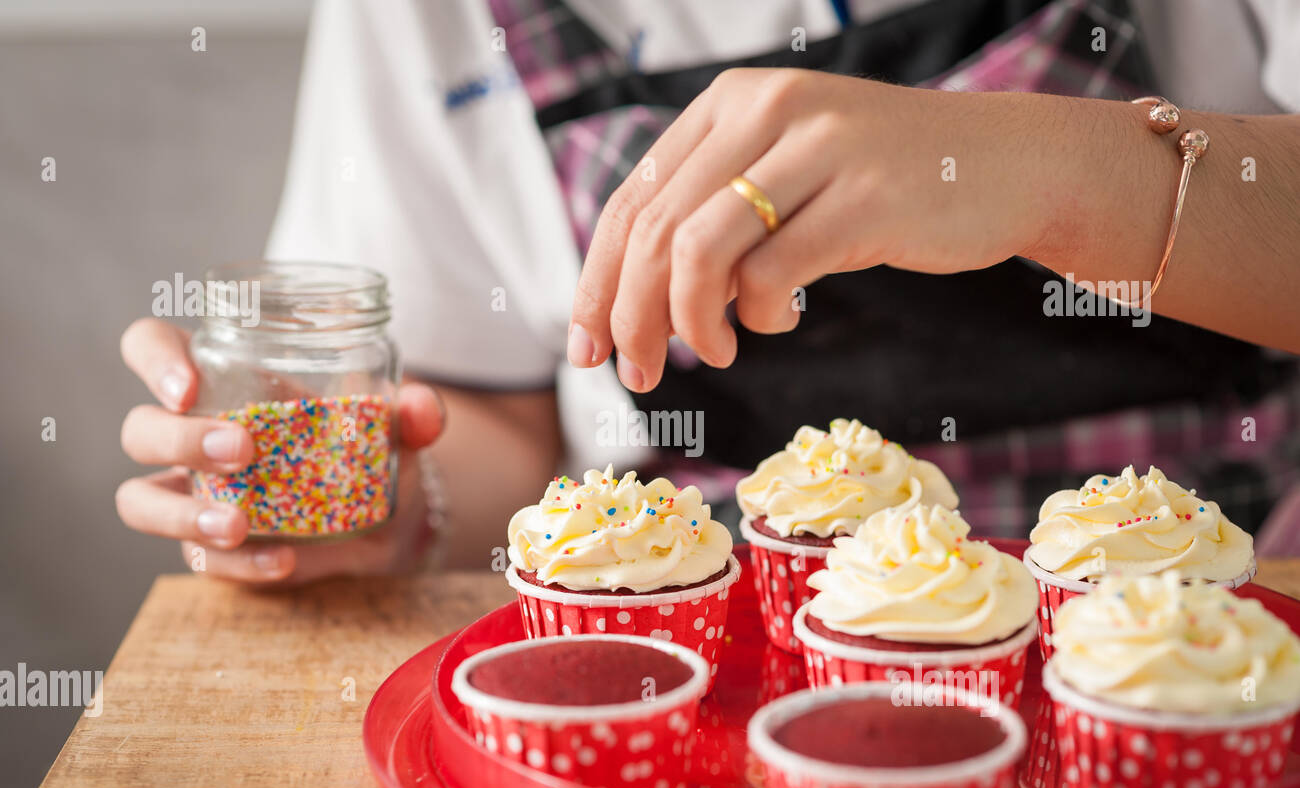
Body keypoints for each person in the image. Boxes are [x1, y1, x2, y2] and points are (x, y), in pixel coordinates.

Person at [116, 0, 1300, 583]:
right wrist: (399, 496)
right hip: (707, 664)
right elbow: (501, 421)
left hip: (1210, 614)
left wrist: (1044, 172)